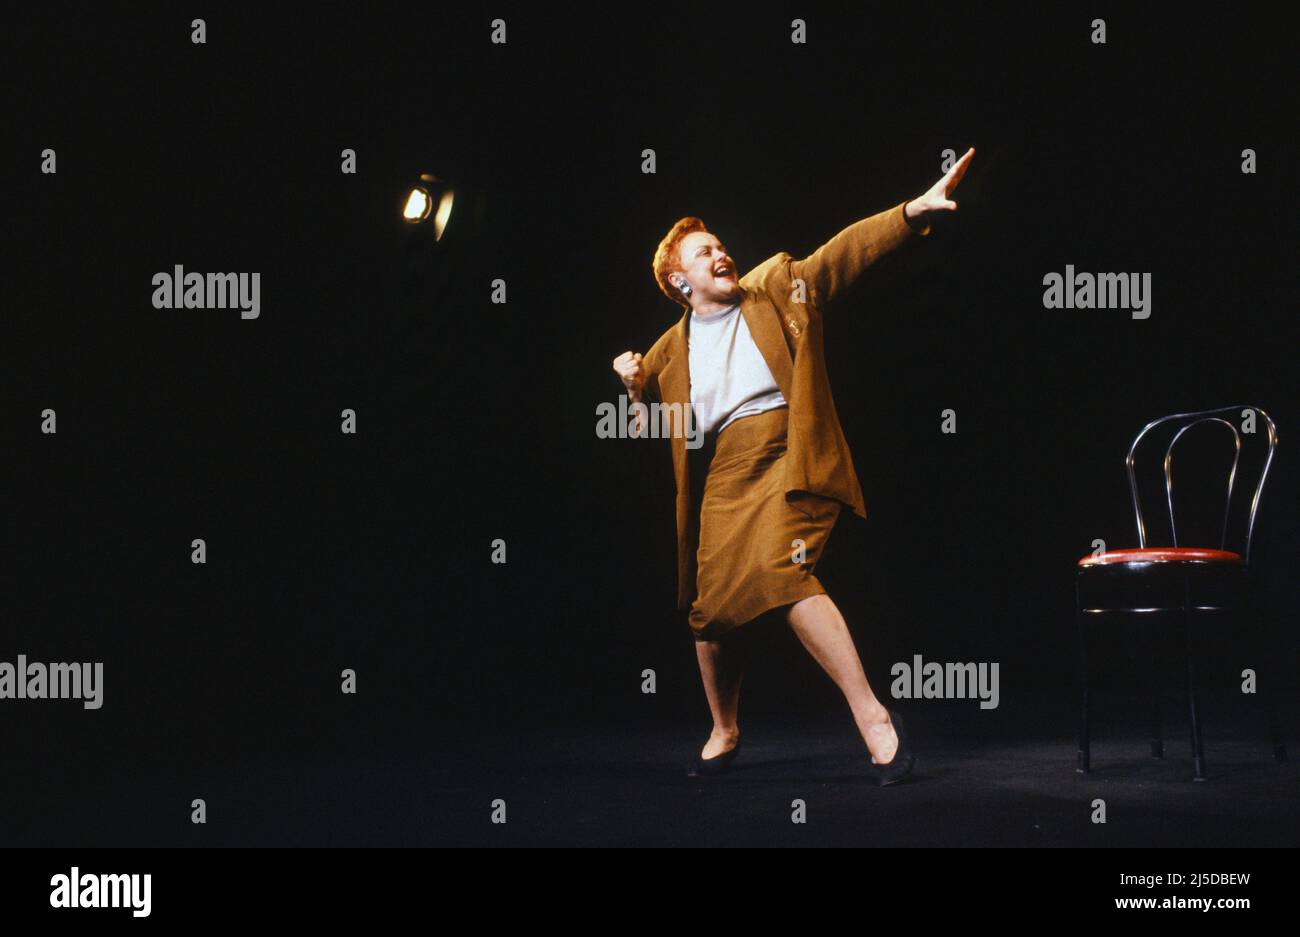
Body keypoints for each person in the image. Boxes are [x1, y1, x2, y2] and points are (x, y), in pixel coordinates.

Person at [613, 148, 974, 784]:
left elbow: (842, 255)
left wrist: (913, 210)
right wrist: (633, 390)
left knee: (785, 575)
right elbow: (655, 434)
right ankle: (724, 730)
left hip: (790, 452)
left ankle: (873, 718)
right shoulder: (668, 350)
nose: (720, 254)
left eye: (719, 246)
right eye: (704, 253)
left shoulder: (776, 284)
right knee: (709, 609)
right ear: (679, 282)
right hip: (726, 474)